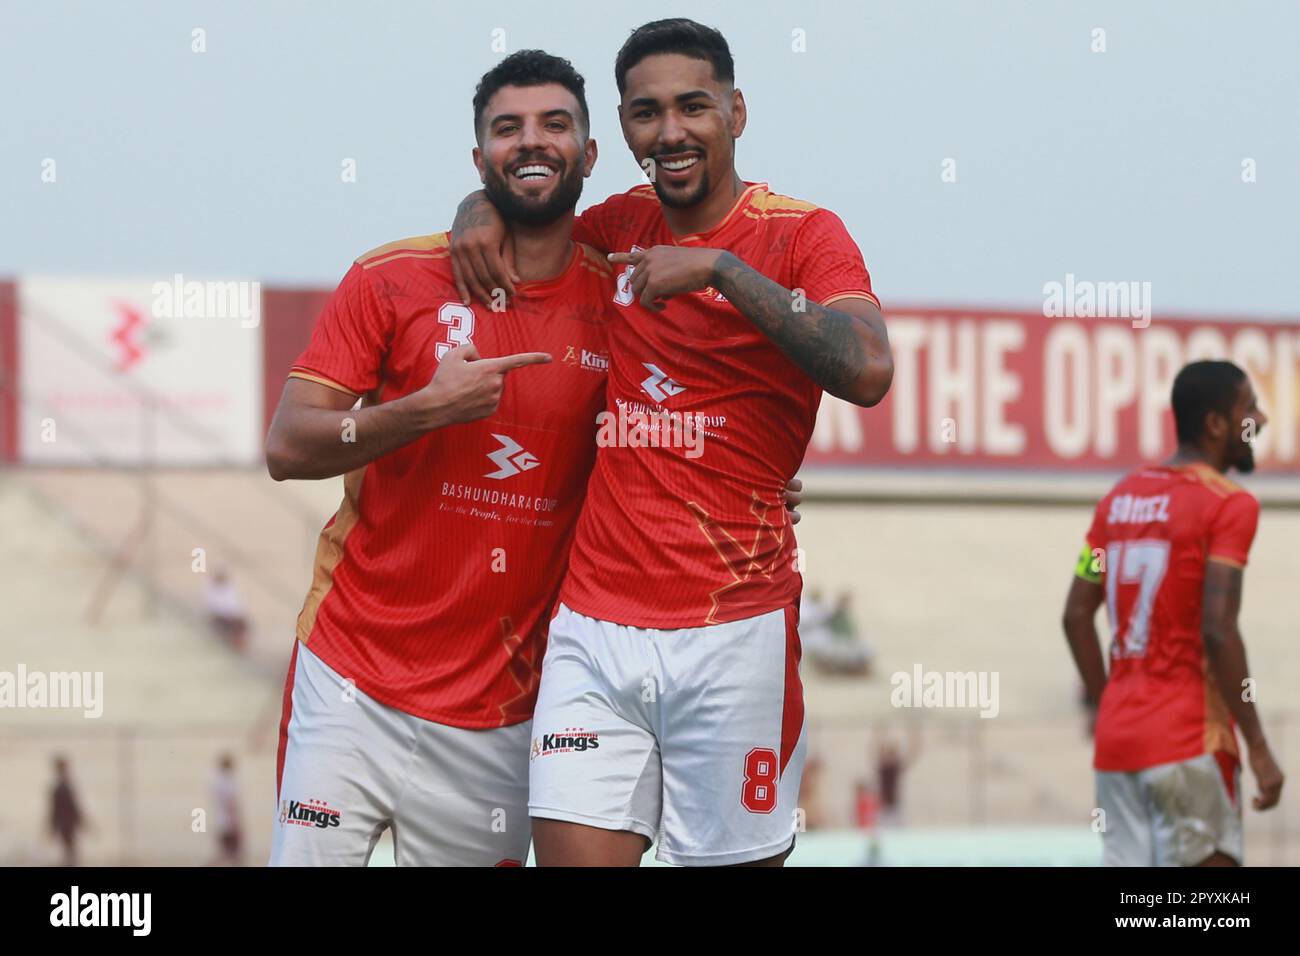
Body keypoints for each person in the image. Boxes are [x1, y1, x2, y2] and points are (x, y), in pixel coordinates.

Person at [265, 49, 807, 866]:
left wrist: (747, 474)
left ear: (589, 156)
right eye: (507, 129)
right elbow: (287, 447)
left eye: (556, 126)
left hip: (504, 715)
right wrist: (422, 410)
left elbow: (682, 415)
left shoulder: (621, 290)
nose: (532, 144)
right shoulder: (393, 279)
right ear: (478, 158)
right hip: (348, 681)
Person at [451, 18, 893, 866]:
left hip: (737, 626)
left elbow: (867, 369)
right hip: (593, 630)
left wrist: (724, 272)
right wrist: (474, 204)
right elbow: (526, 206)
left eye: (693, 106)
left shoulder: (803, 234)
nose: (671, 131)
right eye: (645, 113)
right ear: (621, 128)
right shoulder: (616, 225)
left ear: (736, 109)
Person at [1062, 360, 1285, 866]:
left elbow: (1076, 615)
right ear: (1216, 424)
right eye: (1249, 408)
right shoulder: (1228, 505)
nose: (1261, 420)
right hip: (1188, 742)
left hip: (1119, 751)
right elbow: (1218, 630)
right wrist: (1258, 746)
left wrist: (1108, 704)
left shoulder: (1116, 503)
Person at [48, 756, 84, 866]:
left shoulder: (63, 786)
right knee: (69, 848)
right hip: (66, 822)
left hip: (67, 822)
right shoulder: (61, 787)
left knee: (69, 848)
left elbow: (73, 806)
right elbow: (56, 809)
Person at [211, 753, 243, 865]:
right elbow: (231, 803)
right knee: (234, 854)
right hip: (229, 822)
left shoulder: (217, 782)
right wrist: (235, 822)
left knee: (226, 853)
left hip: (220, 821)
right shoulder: (229, 782)